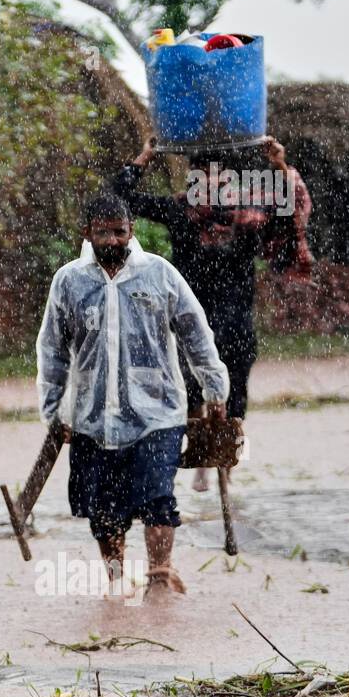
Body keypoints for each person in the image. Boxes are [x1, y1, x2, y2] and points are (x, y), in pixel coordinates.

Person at [36, 194, 230, 600]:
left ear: (131, 231)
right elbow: (52, 348)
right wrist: (53, 410)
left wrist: (215, 386)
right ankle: (116, 578)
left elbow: (195, 330)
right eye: (103, 231)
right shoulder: (69, 281)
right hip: (91, 414)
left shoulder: (159, 274)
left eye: (119, 231)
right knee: (103, 510)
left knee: (158, 494)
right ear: (86, 233)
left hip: (157, 411)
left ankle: (160, 576)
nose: (112, 239)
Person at [112, 136, 312, 490]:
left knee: (232, 390)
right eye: (202, 178)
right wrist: (144, 156)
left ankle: (225, 464)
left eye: (216, 178)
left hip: (233, 320)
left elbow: (295, 210)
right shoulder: (184, 211)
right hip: (191, 321)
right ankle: (204, 454)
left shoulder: (247, 216)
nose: (209, 185)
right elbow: (118, 199)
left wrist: (280, 165)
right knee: (191, 388)